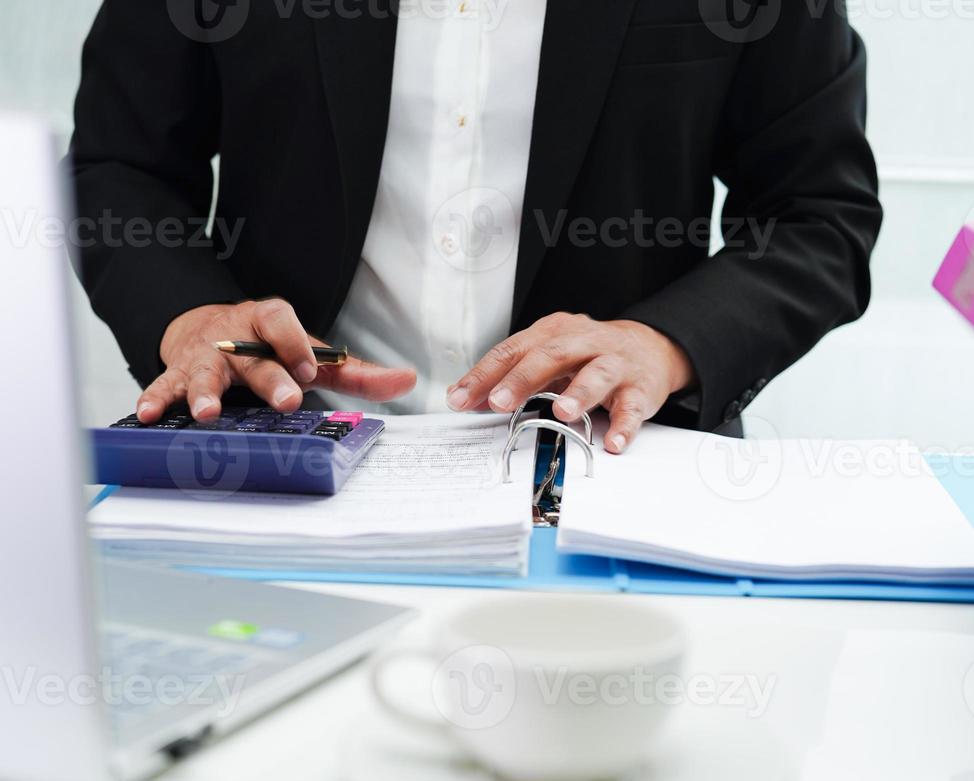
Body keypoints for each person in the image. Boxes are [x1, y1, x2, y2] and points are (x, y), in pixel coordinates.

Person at [67, 0, 881, 453]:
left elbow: (815, 215)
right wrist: (190, 316)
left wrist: (661, 345)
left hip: (612, 467)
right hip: (277, 449)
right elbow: (121, 165)